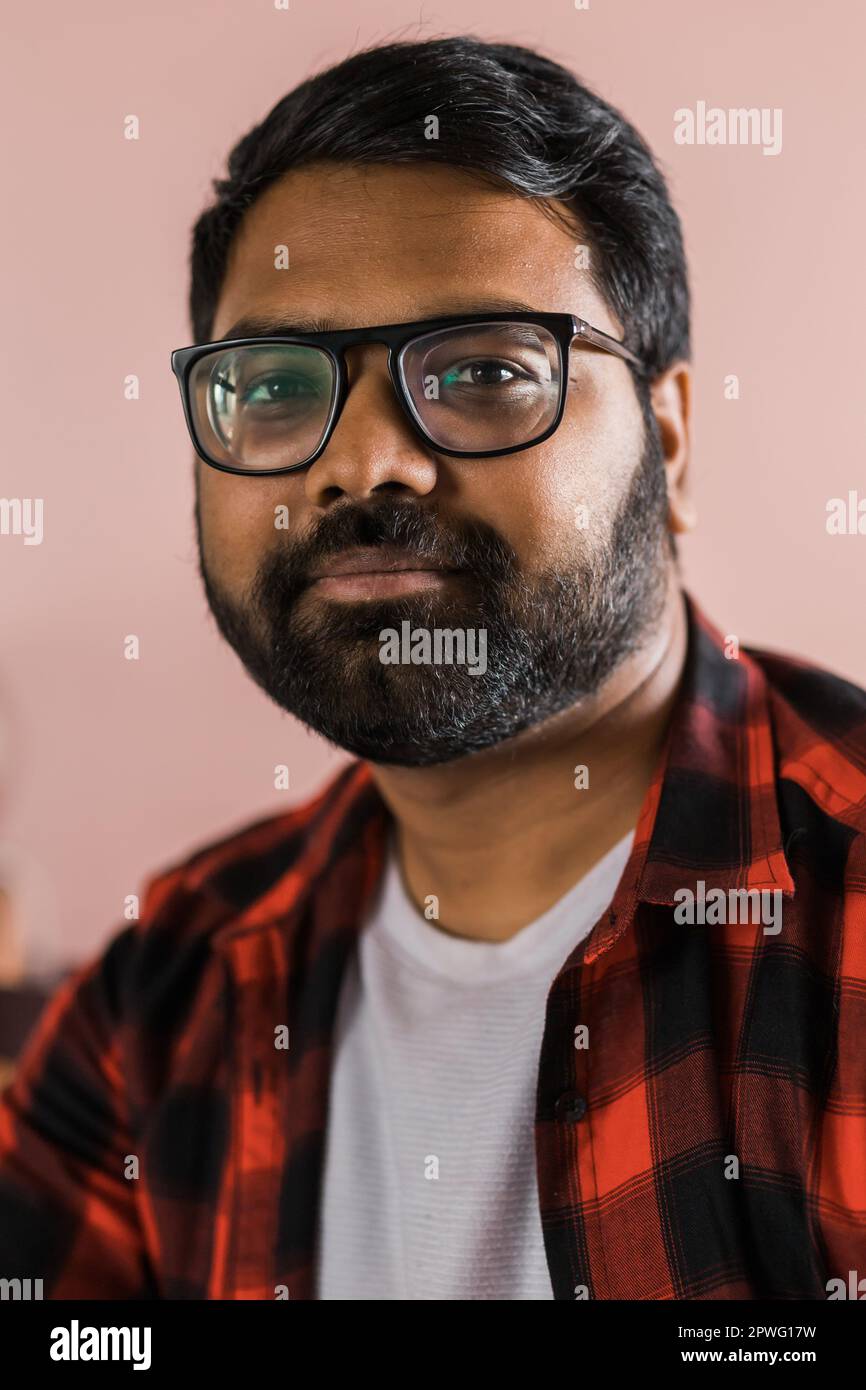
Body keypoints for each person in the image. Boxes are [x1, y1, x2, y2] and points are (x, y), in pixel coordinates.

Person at [1, 35, 864, 1301]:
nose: (363, 466)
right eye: (277, 386)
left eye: (481, 372)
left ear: (666, 445)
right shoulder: (168, 997)